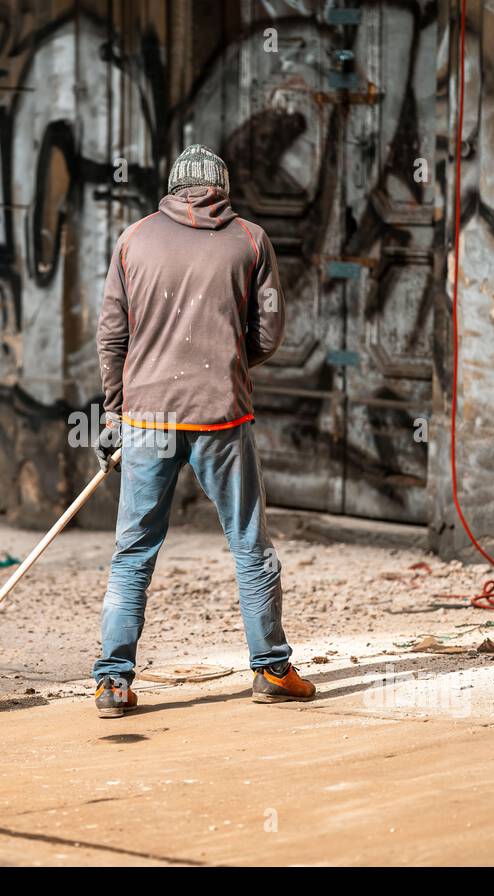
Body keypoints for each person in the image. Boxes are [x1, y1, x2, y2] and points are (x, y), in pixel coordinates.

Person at [91, 143, 316, 718]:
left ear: (171, 187)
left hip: (147, 419)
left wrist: (113, 413)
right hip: (221, 416)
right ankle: (271, 668)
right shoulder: (250, 240)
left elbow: (112, 336)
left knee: (133, 550)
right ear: (220, 187)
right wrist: (228, 362)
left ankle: (112, 682)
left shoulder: (134, 239)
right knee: (249, 544)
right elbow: (269, 332)